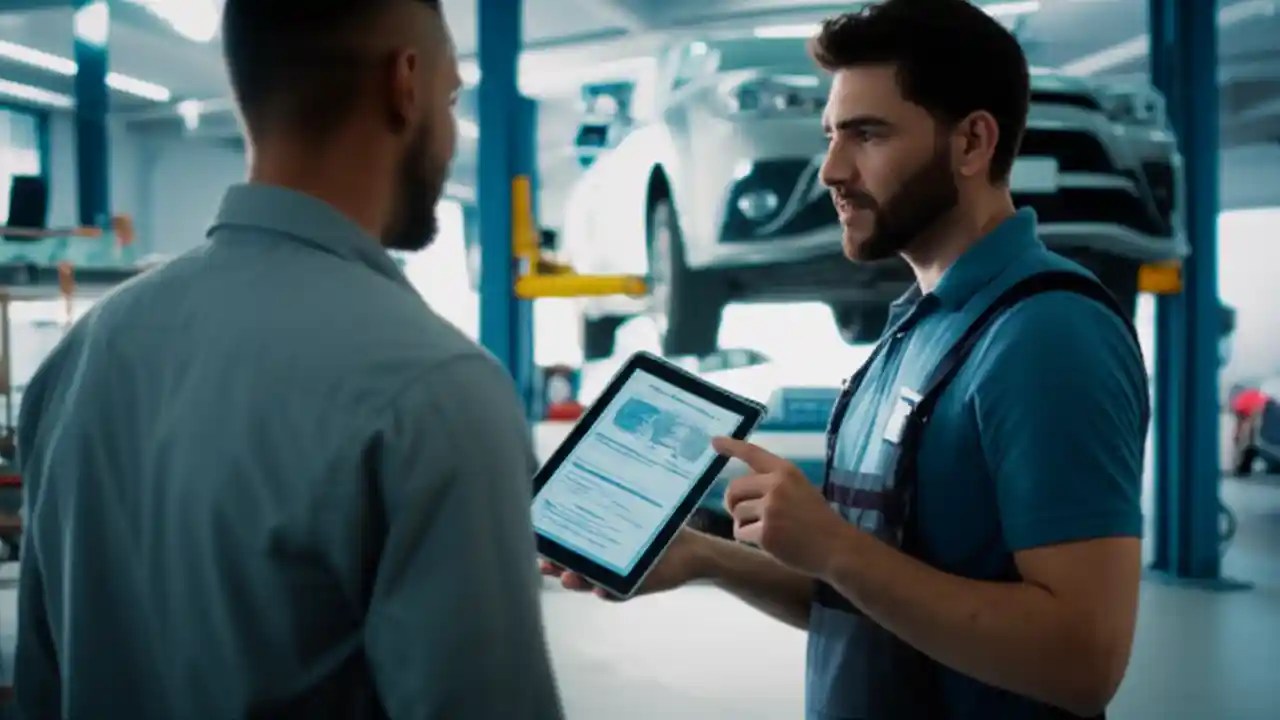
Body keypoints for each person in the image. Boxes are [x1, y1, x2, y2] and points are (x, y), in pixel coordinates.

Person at [545, 2, 1148, 719]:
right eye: (831, 135)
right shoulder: (911, 333)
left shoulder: (1046, 333)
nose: (831, 168)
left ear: (972, 143)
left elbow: (1083, 661)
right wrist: (707, 558)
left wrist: (833, 548)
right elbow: (879, 598)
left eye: (867, 135)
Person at [15, 1, 562, 718]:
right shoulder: (437, 389)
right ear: (405, 82)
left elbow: (40, 689)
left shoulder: (84, 354)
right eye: (451, 97)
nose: (453, 129)